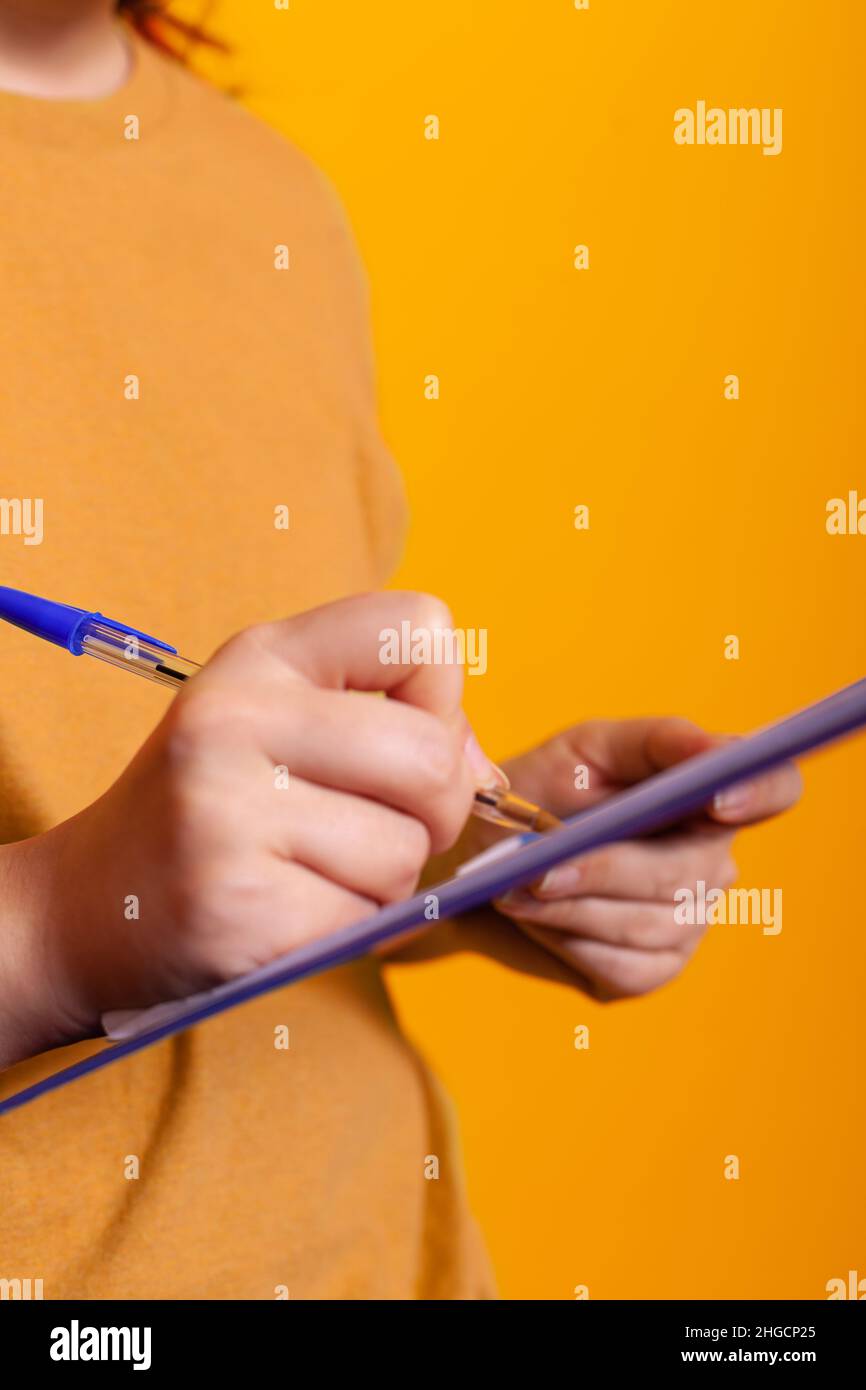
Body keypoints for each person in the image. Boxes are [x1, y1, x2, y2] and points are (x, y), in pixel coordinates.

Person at [0, 0, 800, 1299]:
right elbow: (121, 895)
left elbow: (233, 858)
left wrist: (479, 849)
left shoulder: (274, 207)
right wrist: (55, 928)